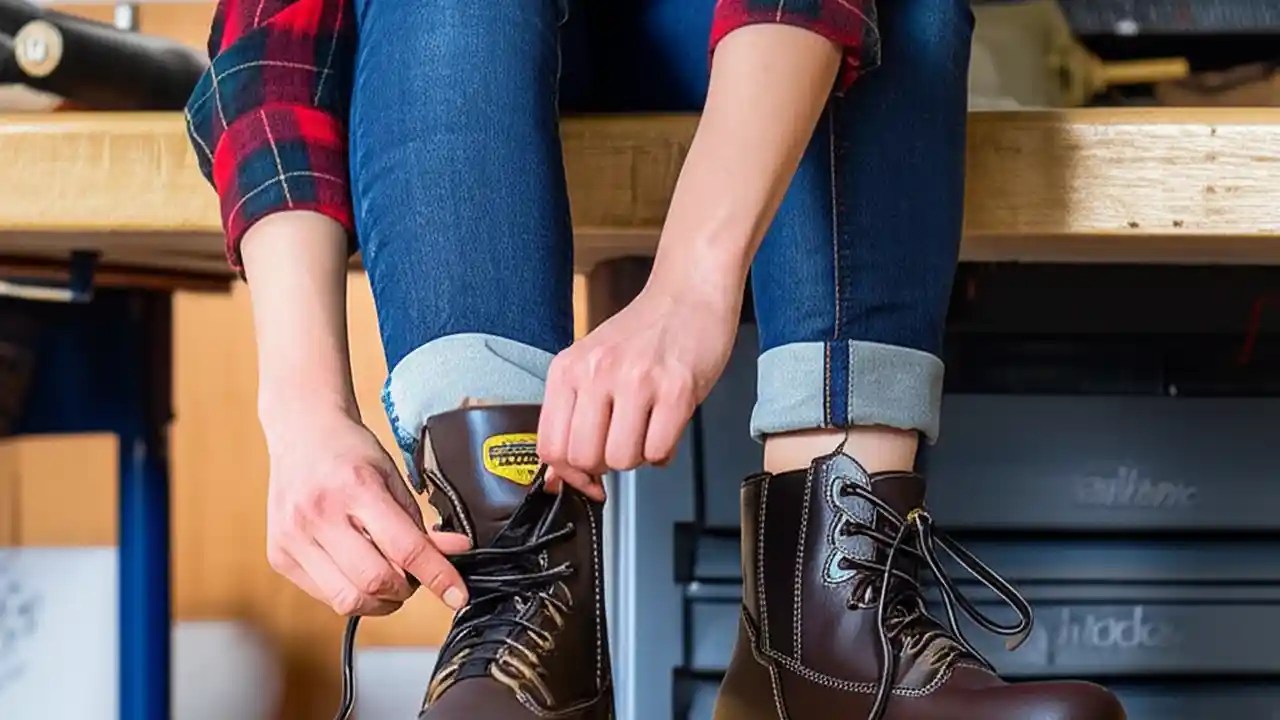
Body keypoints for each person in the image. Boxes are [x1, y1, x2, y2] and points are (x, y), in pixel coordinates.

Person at [185, 0, 1125, 718]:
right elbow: (279, 48)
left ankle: (833, 620)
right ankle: (529, 602)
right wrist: (304, 412)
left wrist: (689, 286)